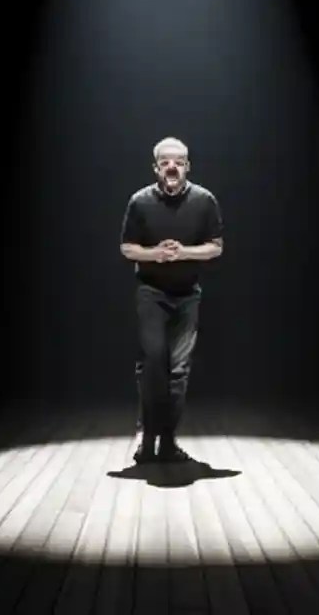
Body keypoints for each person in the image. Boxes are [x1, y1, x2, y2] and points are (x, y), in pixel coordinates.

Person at [120, 137, 223, 464]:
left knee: (178, 370)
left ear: (187, 166)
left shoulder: (204, 200)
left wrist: (183, 252)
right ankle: (146, 437)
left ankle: (166, 441)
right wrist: (155, 254)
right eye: (165, 162)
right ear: (156, 168)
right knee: (152, 365)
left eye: (178, 161)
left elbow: (216, 246)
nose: (172, 167)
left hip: (187, 295)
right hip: (151, 292)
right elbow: (127, 247)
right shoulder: (140, 201)